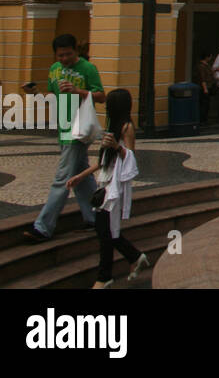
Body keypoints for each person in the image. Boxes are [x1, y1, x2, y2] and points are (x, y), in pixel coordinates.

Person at [25, 33, 104, 243]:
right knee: (82, 175)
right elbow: (53, 96)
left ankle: (43, 227)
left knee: (62, 180)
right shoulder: (54, 70)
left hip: (78, 129)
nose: (64, 59)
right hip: (63, 126)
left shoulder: (88, 68)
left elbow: (101, 96)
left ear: (75, 51)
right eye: (60, 56)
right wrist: (36, 94)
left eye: (68, 54)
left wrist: (78, 90)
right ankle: (96, 216)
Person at [66, 88, 147, 288]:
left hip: (114, 188)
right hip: (105, 184)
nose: (106, 108)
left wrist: (117, 147)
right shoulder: (112, 127)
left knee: (106, 232)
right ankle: (134, 257)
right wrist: (81, 176)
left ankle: (104, 277)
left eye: (109, 105)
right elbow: (103, 161)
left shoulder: (127, 127)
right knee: (106, 231)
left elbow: (131, 157)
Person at [195, 53, 216, 126]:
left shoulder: (206, 66)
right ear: (207, 57)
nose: (210, 58)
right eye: (210, 56)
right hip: (204, 87)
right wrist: (205, 88)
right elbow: (202, 78)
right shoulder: (202, 66)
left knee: (206, 104)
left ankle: (204, 119)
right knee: (204, 104)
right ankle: (202, 120)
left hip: (208, 86)